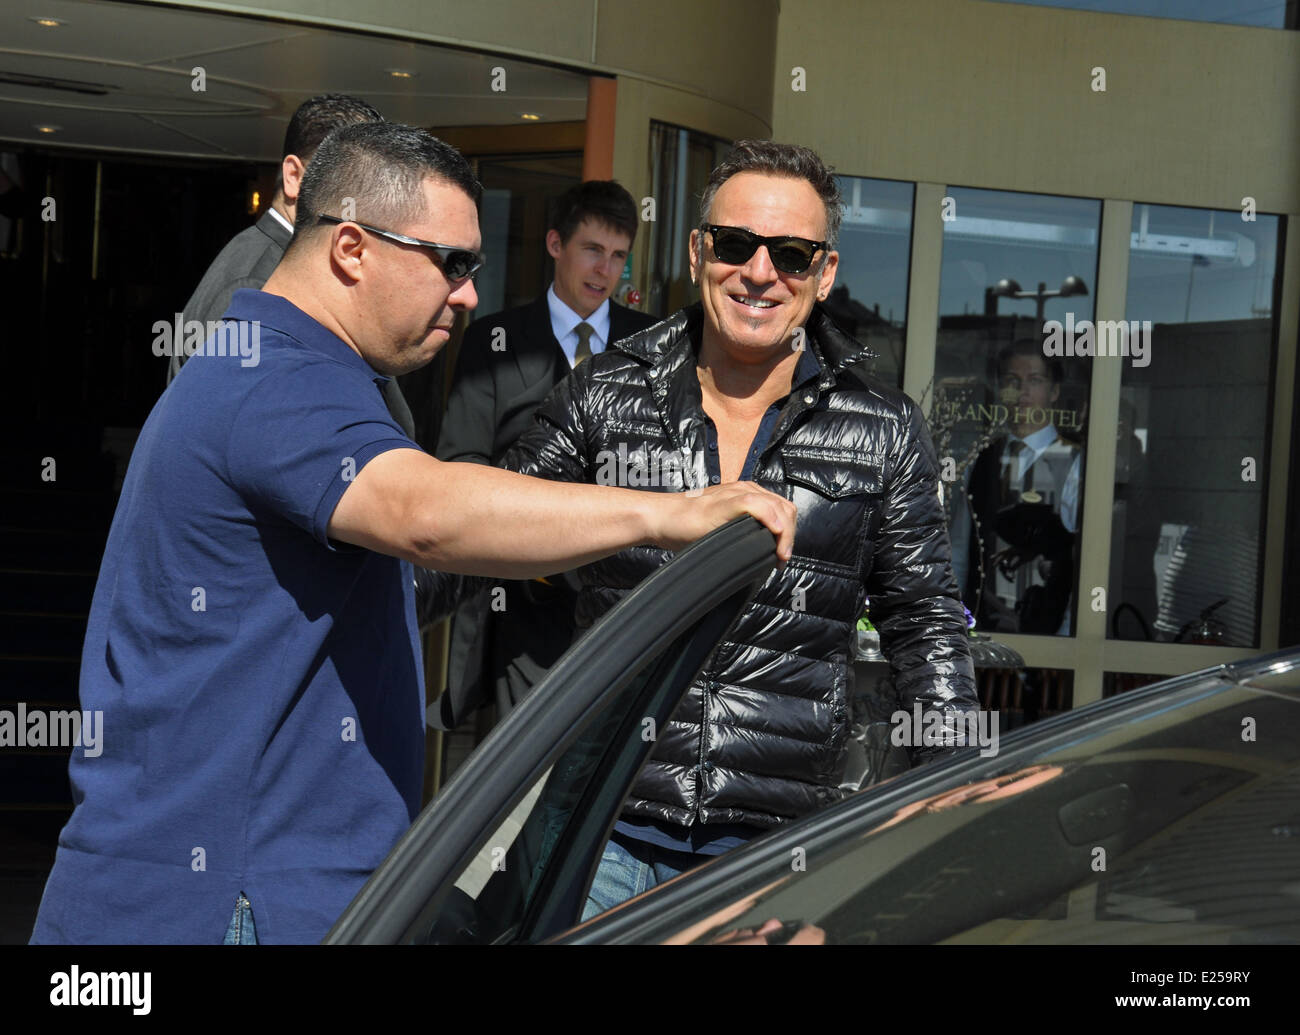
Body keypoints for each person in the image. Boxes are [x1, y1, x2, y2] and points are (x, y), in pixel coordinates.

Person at [30, 122, 795, 945]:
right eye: (453, 263)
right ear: (352, 248)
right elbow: (425, 516)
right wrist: (668, 511)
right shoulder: (275, 377)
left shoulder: (308, 372)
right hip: (227, 903)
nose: (469, 294)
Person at [470, 140, 978, 918]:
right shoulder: (606, 390)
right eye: (737, 244)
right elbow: (490, 522)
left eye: (792, 254)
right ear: (699, 250)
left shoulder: (884, 429)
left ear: (825, 272)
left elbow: (926, 623)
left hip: (769, 854)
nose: (760, 273)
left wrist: (953, 794)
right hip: (598, 831)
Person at [433, 180, 657, 729]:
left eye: (618, 256)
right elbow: (461, 468)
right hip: (520, 608)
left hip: (620, 609)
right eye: (592, 250)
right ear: (556, 244)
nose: (604, 271)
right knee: (522, 787)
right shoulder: (495, 340)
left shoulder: (652, 345)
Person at [167, 93, 416, 436]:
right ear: (294, 177)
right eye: (348, 183)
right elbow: (232, 434)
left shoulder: (285, 265)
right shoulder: (253, 282)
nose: (364, 202)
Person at [954, 340, 1082, 635]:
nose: (1023, 392)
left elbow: (1081, 561)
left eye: (1035, 380)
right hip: (985, 633)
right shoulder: (982, 458)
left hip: (1048, 635)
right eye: (1013, 381)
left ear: (1054, 391)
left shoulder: (1074, 462)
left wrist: (1066, 640)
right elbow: (961, 549)